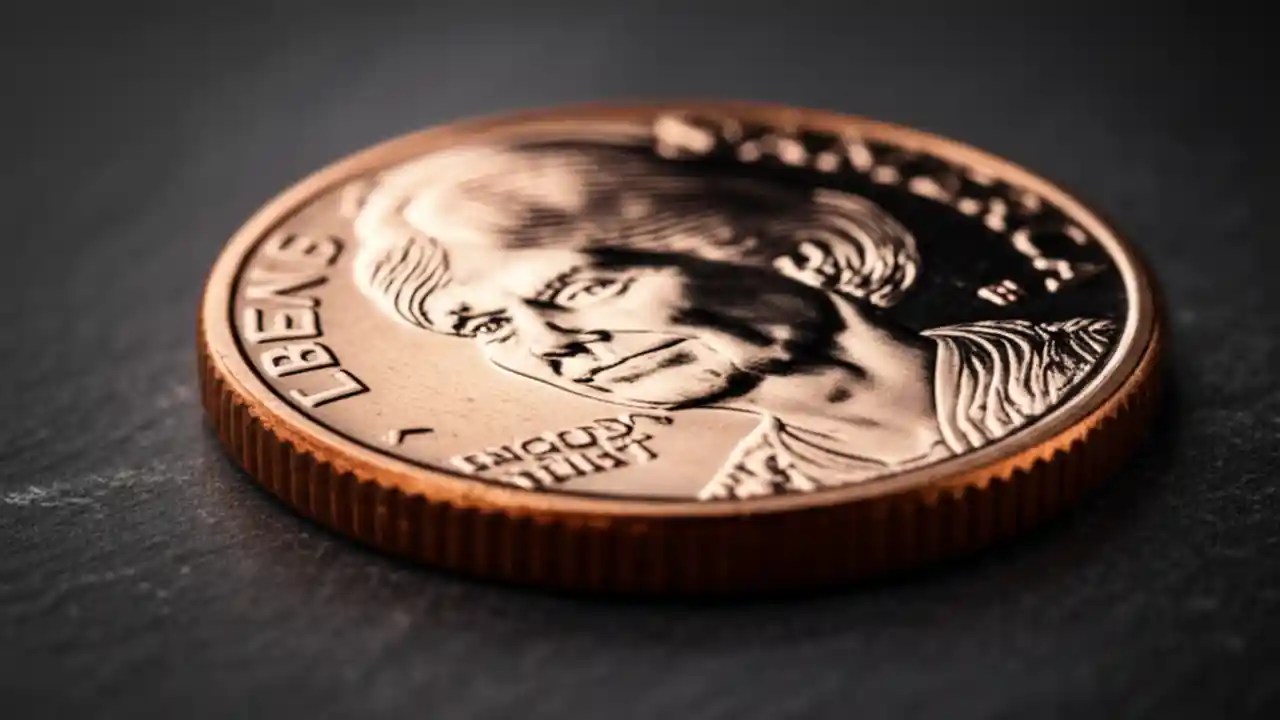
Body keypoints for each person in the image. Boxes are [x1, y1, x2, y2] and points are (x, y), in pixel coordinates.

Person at [345, 136, 1115, 500]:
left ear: (798, 255)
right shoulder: (744, 496)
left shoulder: (1081, 362)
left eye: (582, 289)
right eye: (487, 327)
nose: (548, 347)